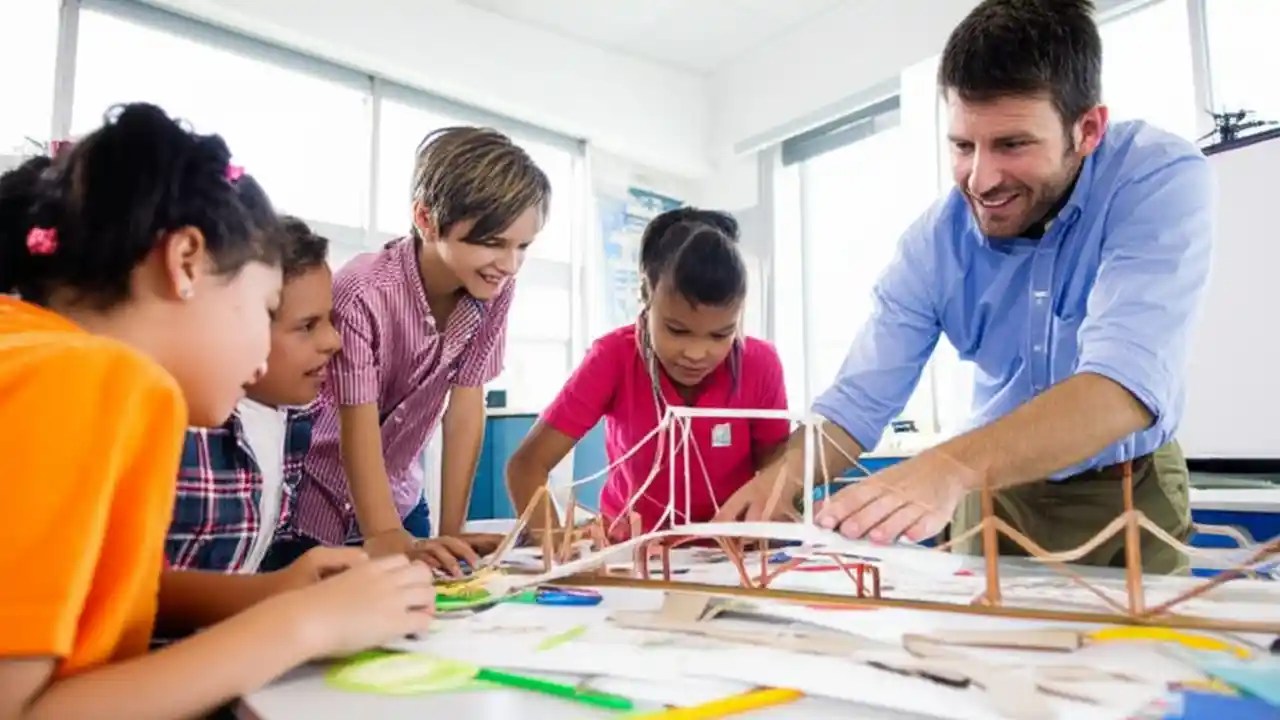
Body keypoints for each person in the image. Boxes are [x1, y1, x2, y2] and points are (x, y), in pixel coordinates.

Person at [717, 0, 1212, 574]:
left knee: (1146, 660)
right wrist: (778, 484)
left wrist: (946, 468)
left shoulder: (1157, 180)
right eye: (961, 146)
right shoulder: (932, 244)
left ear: (1088, 130)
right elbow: (856, 404)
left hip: (1130, 486)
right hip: (993, 494)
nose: (980, 180)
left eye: (1012, 145)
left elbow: (1123, 384)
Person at [0, 103, 434, 719]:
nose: (264, 349)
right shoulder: (75, 376)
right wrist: (302, 624)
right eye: (266, 309)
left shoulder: (36, 352)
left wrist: (274, 589)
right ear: (185, 263)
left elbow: (106, 593)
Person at [275, 126, 551, 575]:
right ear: (426, 218)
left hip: (401, 500)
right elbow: (355, 418)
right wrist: (383, 536)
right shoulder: (362, 290)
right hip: (317, 506)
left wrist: (451, 529)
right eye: (492, 243)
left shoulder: (495, 291)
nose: (510, 264)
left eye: (523, 246)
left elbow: (465, 409)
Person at [507, 208, 790, 540]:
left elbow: (779, 475)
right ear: (645, 294)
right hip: (630, 551)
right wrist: (551, 539)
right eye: (676, 330)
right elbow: (527, 465)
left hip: (729, 556)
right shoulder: (613, 358)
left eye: (720, 335)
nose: (696, 354)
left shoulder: (760, 363)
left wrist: (770, 521)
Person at [166, 216, 341, 574]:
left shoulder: (294, 417)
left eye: (329, 321)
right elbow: (143, 585)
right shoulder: (185, 429)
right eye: (307, 326)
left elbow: (267, 545)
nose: (333, 341)